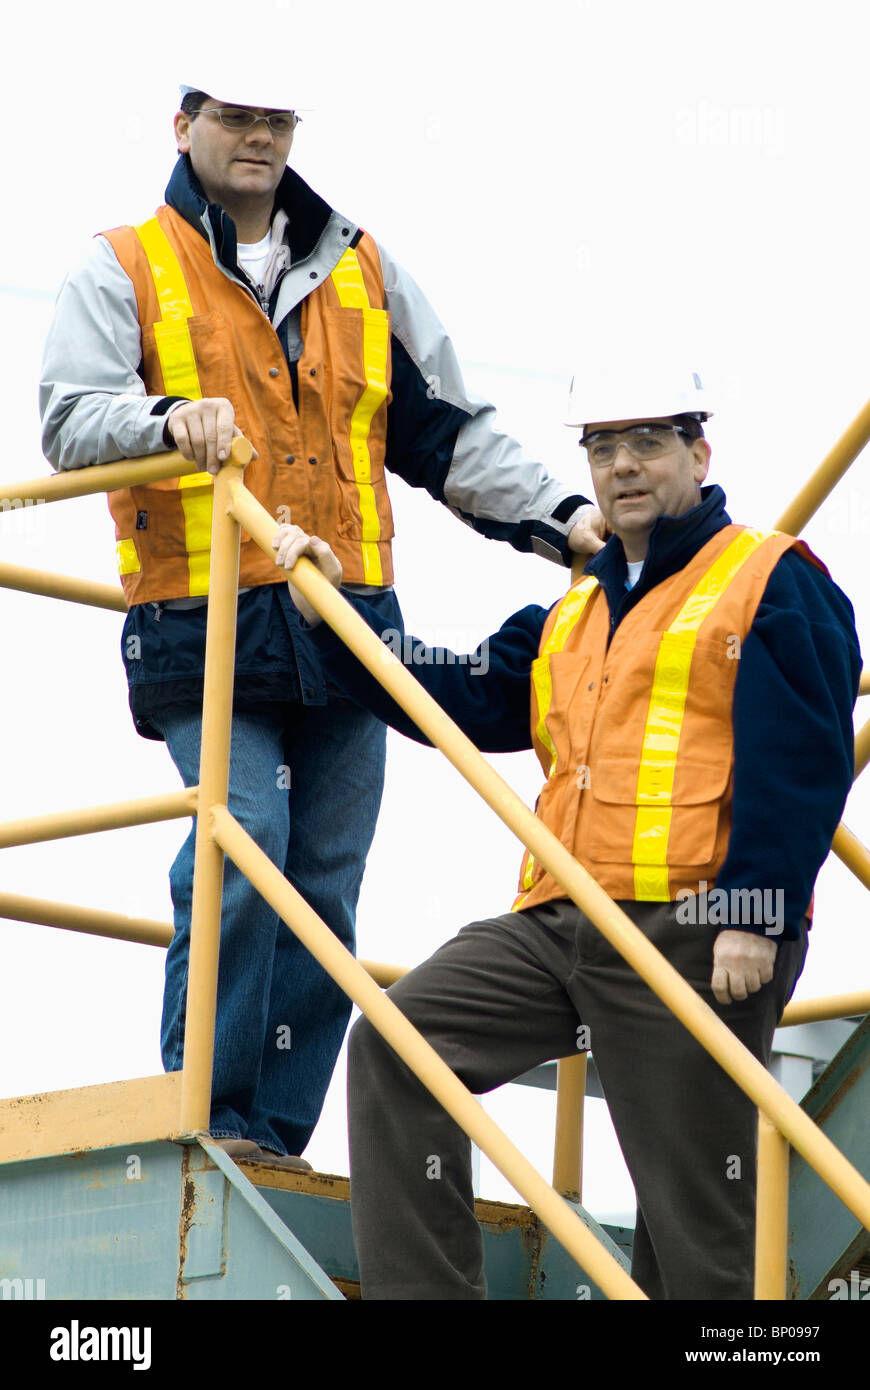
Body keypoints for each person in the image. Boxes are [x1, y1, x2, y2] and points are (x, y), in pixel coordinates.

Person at [38, 71, 604, 1169]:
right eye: (236, 116)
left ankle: (274, 1142)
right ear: (183, 124)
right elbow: (69, 417)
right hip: (206, 630)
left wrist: (563, 517)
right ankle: (207, 1118)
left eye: (275, 120)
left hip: (348, 629)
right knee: (244, 850)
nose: (257, 137)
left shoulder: (363, 266)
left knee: (327, 885)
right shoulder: (124, 262)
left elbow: (443, 430)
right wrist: (166, 419)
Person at [274, 368, 861, 1296]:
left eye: (647, 444)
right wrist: (339, 618)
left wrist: (759, 910)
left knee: (694, 1218)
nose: (622, 466)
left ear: (700, 456)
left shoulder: (770, 579)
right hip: (557, 920)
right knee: (398, 1042)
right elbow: (455, 691)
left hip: (694, 928)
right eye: (601, 448)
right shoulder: (573, 608)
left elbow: (804, 759)